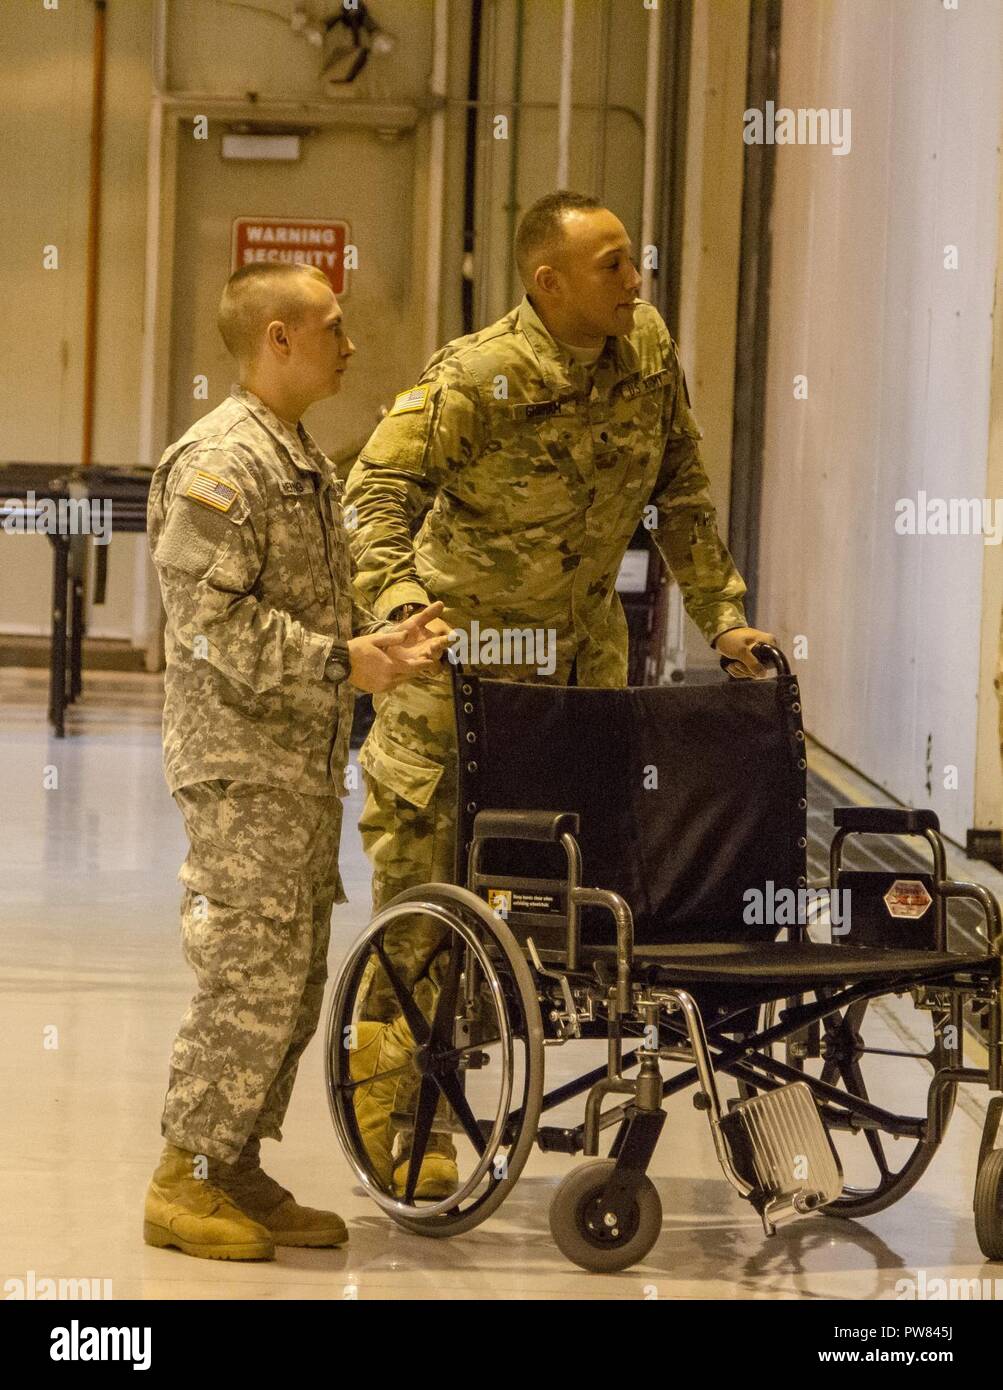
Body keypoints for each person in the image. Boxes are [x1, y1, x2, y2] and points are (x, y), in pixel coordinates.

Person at [343, 191, 776, 1196]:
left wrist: (725, 617)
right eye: (614, 265)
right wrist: (400, 601)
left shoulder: (646, 356)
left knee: (565, 907)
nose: (637, 282)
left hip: (580, 681)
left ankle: (535, 1081)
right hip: (460, 685)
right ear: (548, 283)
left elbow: (682, 490)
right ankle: (398, 1119)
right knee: (422, 908)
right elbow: (376, 493)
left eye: (635, 264)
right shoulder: (479, 377)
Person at [143, 262, 449, 1261]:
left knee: (292, 974)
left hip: (299, 764)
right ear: (276, 336)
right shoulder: (219, 463)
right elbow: (207, 625)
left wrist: (383, 641)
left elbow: (312, 606)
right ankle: (181, 1176)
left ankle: (232, 1162)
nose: (348, 343)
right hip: (242, 770)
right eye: (331, 326)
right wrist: (340, 660)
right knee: (247, 974)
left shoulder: (298, 460)